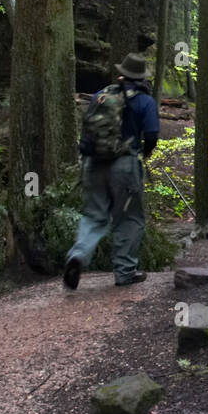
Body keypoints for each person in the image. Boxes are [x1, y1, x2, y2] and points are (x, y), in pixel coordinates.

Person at [63, 53, 160, 289]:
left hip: (93, 164)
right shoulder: (145, 102)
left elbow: (86, 132)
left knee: (94, 216)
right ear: (141, 78)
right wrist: (144, 153)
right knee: (129, 219)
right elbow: (151, 135)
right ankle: (125, 272)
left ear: (121, 74)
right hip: (124, 166)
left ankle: (77, 256)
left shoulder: (100, 96)